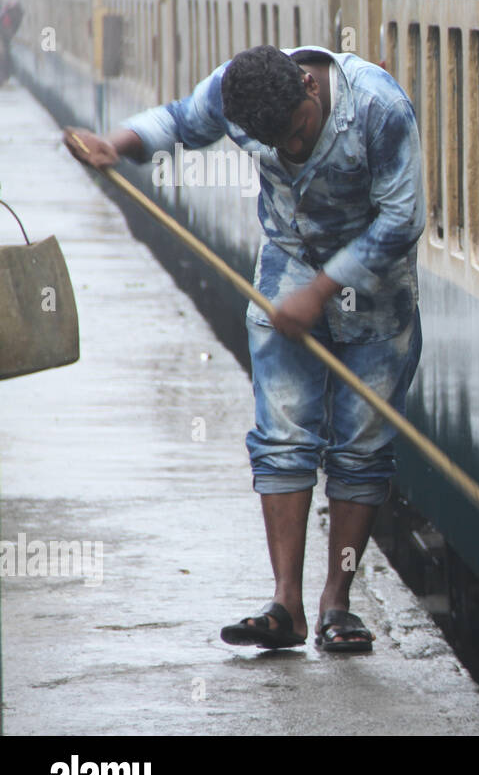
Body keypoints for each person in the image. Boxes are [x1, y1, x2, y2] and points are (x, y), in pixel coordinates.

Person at [64, 44, 425, 651]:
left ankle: (337, 604)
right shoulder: (238, 91)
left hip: (375, 290)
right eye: (272, 142)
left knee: (361, 449)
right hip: (284, 273)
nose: (290, 150)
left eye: (297, 133)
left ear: (311, 89)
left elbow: (402, 218)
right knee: (281, 437)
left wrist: (323, 289)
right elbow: (180, 120)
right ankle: (287, 605)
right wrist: (116, 144)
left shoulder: (379, 109)